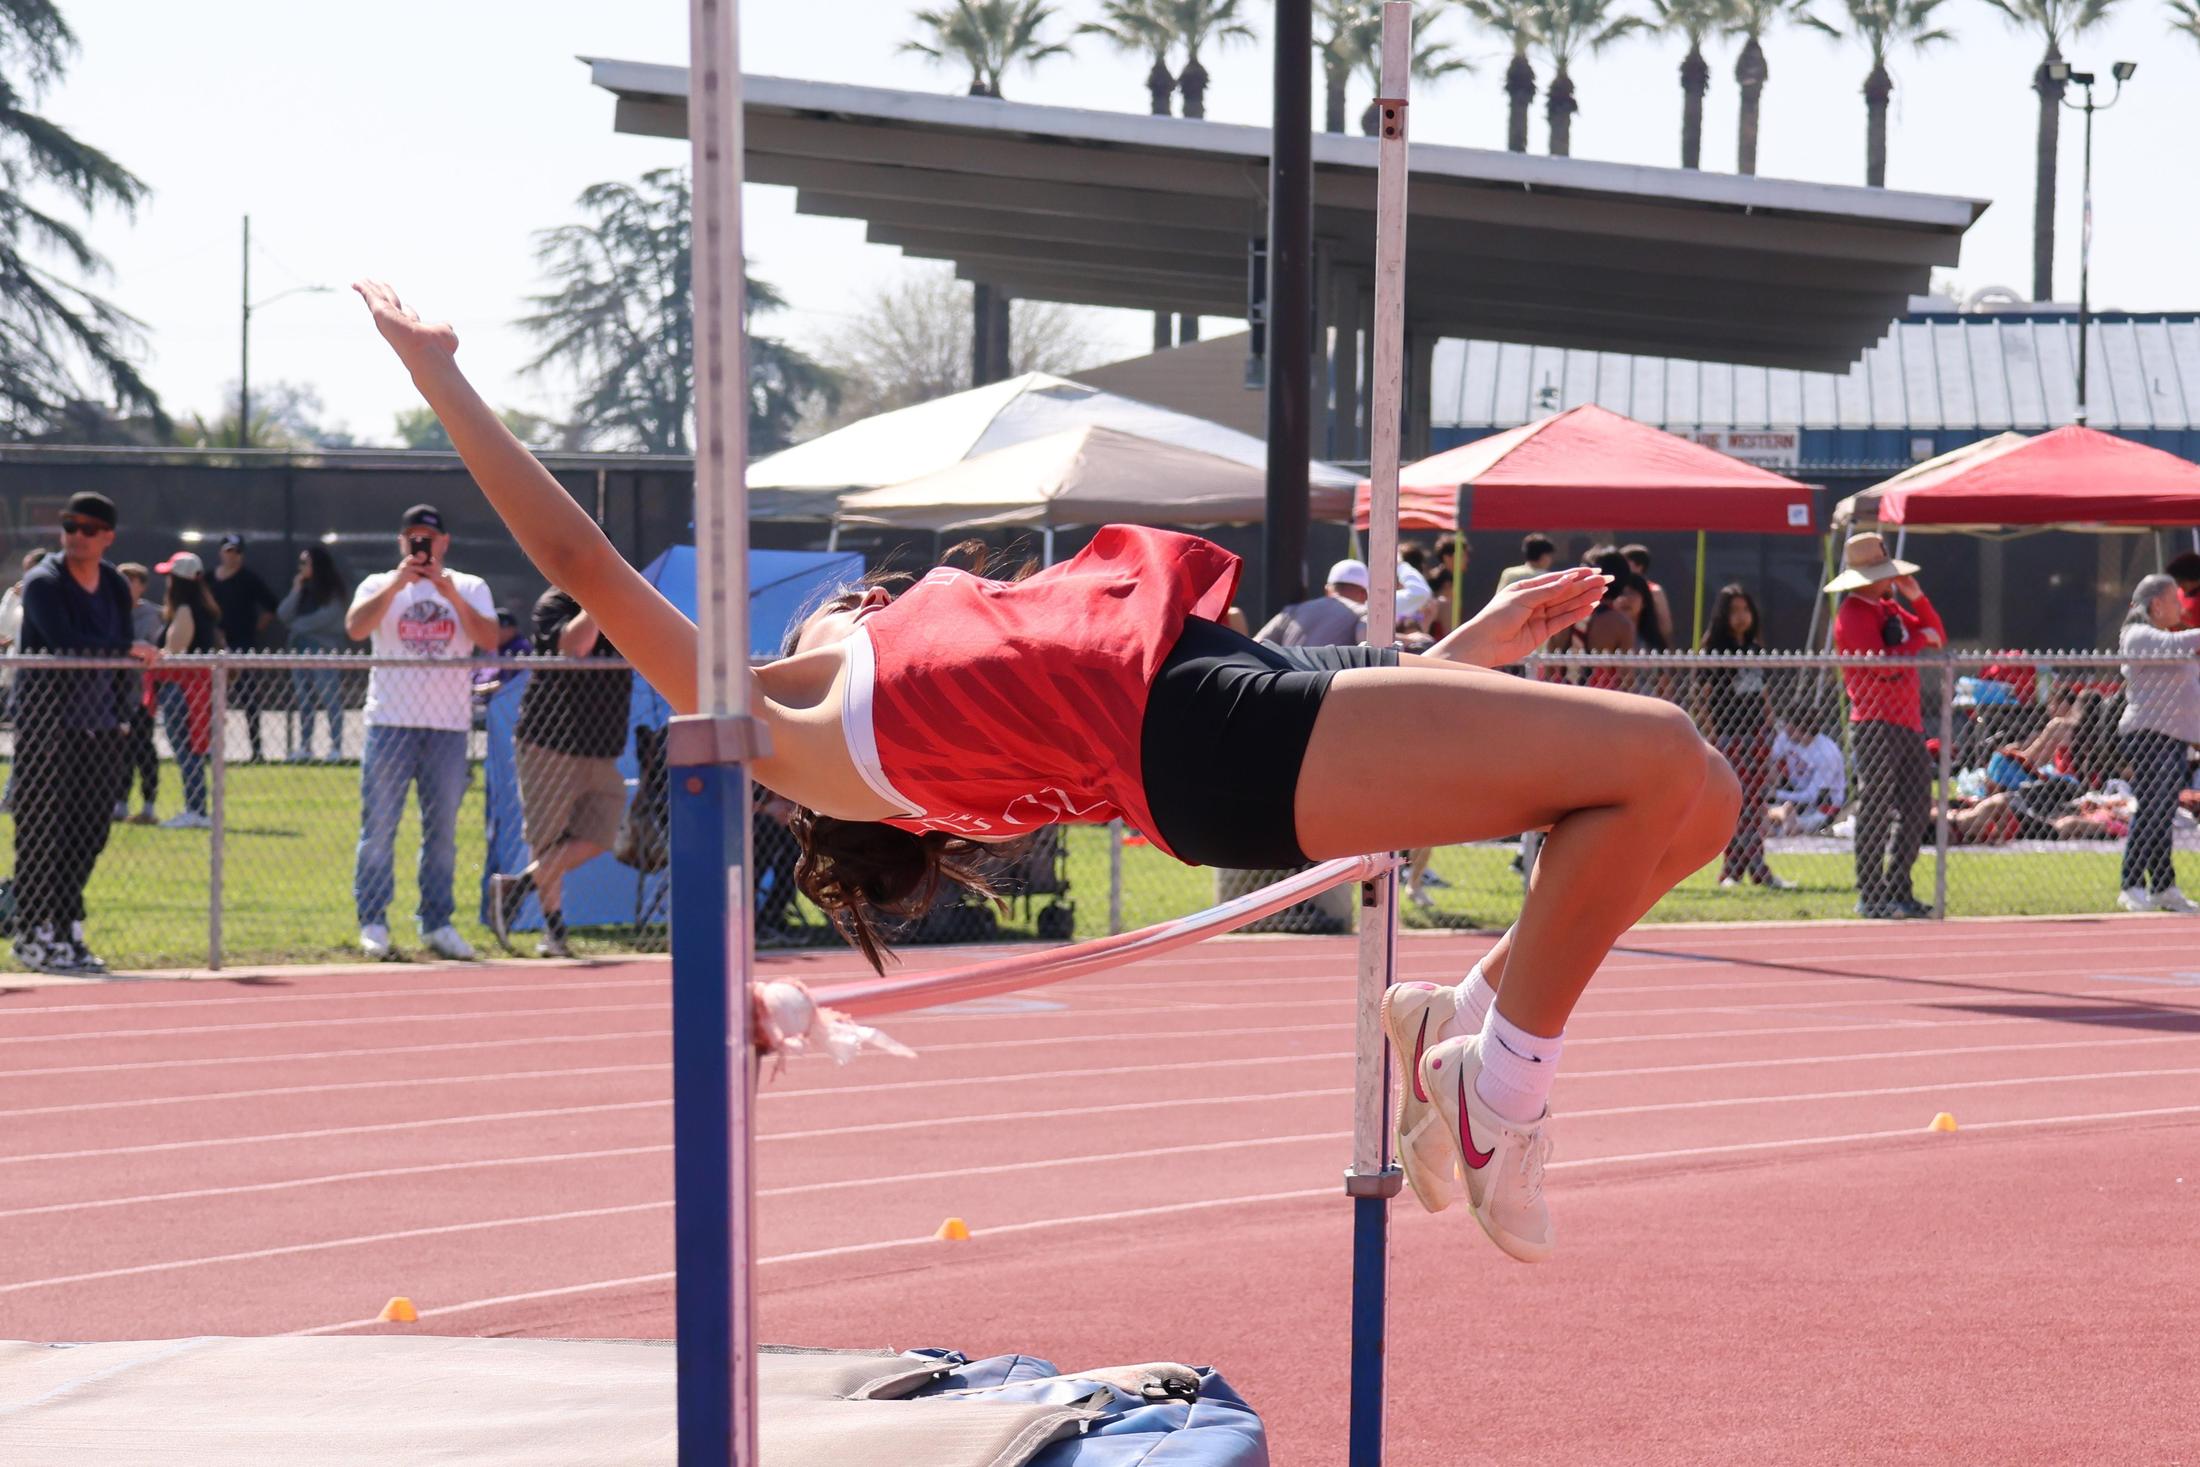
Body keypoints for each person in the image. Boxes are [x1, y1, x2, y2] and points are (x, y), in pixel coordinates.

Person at [359, 277, 1743, 1266]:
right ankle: (1498, 1096)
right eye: (835, 602)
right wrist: (441, 377)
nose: (864, 596)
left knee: (1702, 801)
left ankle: (1470, 1012)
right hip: (1200, 743)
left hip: (1228, 696)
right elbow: (583, 564)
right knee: (1658, 761)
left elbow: (1282, 676)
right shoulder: (785, 715)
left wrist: (1475, 646)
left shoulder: (947, 674)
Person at [11, 493, 159, 974]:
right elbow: (66, 643)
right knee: (41, 832)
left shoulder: (114, 584)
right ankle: (33, 933)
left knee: (88, 833)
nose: (76, 535)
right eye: (69, 525)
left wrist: (122, 712)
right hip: (47, 726)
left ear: (108, 537)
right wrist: (127, 648)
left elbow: (118, 657)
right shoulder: (44, 582)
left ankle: (68, 927)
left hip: (100, 727)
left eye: (88, 528)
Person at [345, 502, 500, 961]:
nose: (422, 547)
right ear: (401, 543)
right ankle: (373, 920)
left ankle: (437, 923)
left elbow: (490, 639)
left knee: (443, 833)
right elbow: (355, 628)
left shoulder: (469, 586)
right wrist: (399, 583)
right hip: (390, 722)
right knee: (379, 827)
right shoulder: (379, 585)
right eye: (413, 539)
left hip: (448, 727)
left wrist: (449, 594)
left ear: (444, 543)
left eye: (429, 540)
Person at [487, 587, 635, 958]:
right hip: (548, 743)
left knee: (602, 835)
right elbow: (575, 647)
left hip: (601, 748)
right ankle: (554, 933)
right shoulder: (553, 604)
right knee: (548, 841)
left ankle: (516, 886)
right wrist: (599, 599)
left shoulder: (626, 604)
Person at [1828, 533, 1944, 920]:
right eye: (1884, 573)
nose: (1891, 578)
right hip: (1875, 722)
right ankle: (1870, 893)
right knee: (1876, 805)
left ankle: (1899, 889)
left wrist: (1918, 597)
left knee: (1915, 807)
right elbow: (1882, 665)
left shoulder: (1889, 608)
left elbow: (1937, 635)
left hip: (1908, 722)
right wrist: (1913, 643)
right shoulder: (1853, 615)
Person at [2112, 573, 2200, 914]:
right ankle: (2131, 883)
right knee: (2153, 808)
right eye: (2174, 600)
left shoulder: (2164, 636)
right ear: (2157, 604)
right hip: (2149, 735)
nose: (2180, 607)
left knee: (2163, 812)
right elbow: (2174, 647)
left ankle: (2162, 886)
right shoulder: (2136, 636)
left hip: (2174, 738)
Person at [1697, 583, 1792, 890]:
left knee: (1755, 803)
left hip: (1756, 734)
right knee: (1733, 804)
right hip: (1728, 735)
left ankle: (1746, 869)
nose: (1740, 617)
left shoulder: (1754, 649)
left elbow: (1762, 693)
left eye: (1745, 610)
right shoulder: (1713, 649)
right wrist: (1710, 736)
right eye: (1733, 611)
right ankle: (1736, 869)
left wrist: (1770, 726)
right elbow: (1703, 696)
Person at [150, 551, 223, 829]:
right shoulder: (205, 609)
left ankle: (195, 809)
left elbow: (176, 649)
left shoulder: (184, 610)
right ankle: (197, 808)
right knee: (191, 750)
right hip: (195, 688)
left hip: (182, 688)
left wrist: (157, 654)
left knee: (187, 751)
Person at [210, 535, 280, 763]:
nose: (232, 556)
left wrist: (254, 630)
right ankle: (209, 749)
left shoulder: (248, 579)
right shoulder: (209, 579)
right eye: (228, 551)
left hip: (242, 645)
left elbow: (271, 605)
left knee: (249, 696)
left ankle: (256, 750)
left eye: (236, 552)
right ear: (221, 552)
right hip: (214, 647)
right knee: (211, 698)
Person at [278, 544, 350, 762]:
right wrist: (296, 589)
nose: (301, 567)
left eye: (305, 563)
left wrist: (297, 625)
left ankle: (336, 748)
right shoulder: (302, 589)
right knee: (304, 700)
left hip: (324, 652)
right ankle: (305, 747)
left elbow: (329, 618)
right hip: (299, 650)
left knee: (330, 698)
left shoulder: (333, 591)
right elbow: (283, 614)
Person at [114, 563, 163, 825]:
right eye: (123, 580)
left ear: (142, 586)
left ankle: (149, 804)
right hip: (114, 694)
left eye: (133, 581)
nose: (127, 586)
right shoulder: (111, 612)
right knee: (117, 750)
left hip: (142, 695)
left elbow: (147, 647)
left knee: (143, 749)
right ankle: (119, 803)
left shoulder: (151, 615)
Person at [1768, 704, 1847, 835]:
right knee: (1769, 825)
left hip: (1820, 806)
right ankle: (1782, 814)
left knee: (1787, 829)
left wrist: (1776, 794)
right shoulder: (1787, 738)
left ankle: (1781, 815)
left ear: (1800, 729)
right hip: (1793, 794)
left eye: (1790, 727)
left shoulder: (1826, 754)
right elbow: (1770, 762)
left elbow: (1812, 796)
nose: (1785, 731)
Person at [1254, 559, 1367, 647]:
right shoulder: (1363, 613)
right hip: (1331, 676)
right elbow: (1370, 651)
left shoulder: (1292, 612)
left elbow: (1255, 645)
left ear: (1328, 589)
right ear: (1364, 593)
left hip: (1287, 675)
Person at [1621, 545, 1676, 647]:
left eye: (1623, 562)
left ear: (1639, 566)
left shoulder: (1654, 591)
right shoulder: (1615, 588)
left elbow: (1665, 626)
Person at [2164, 551, 2200, 630]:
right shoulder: (2178, 593)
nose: (2179, 585)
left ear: (2195, 577)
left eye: (2181, 581)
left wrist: (2182, 627)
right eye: (2176, 581)